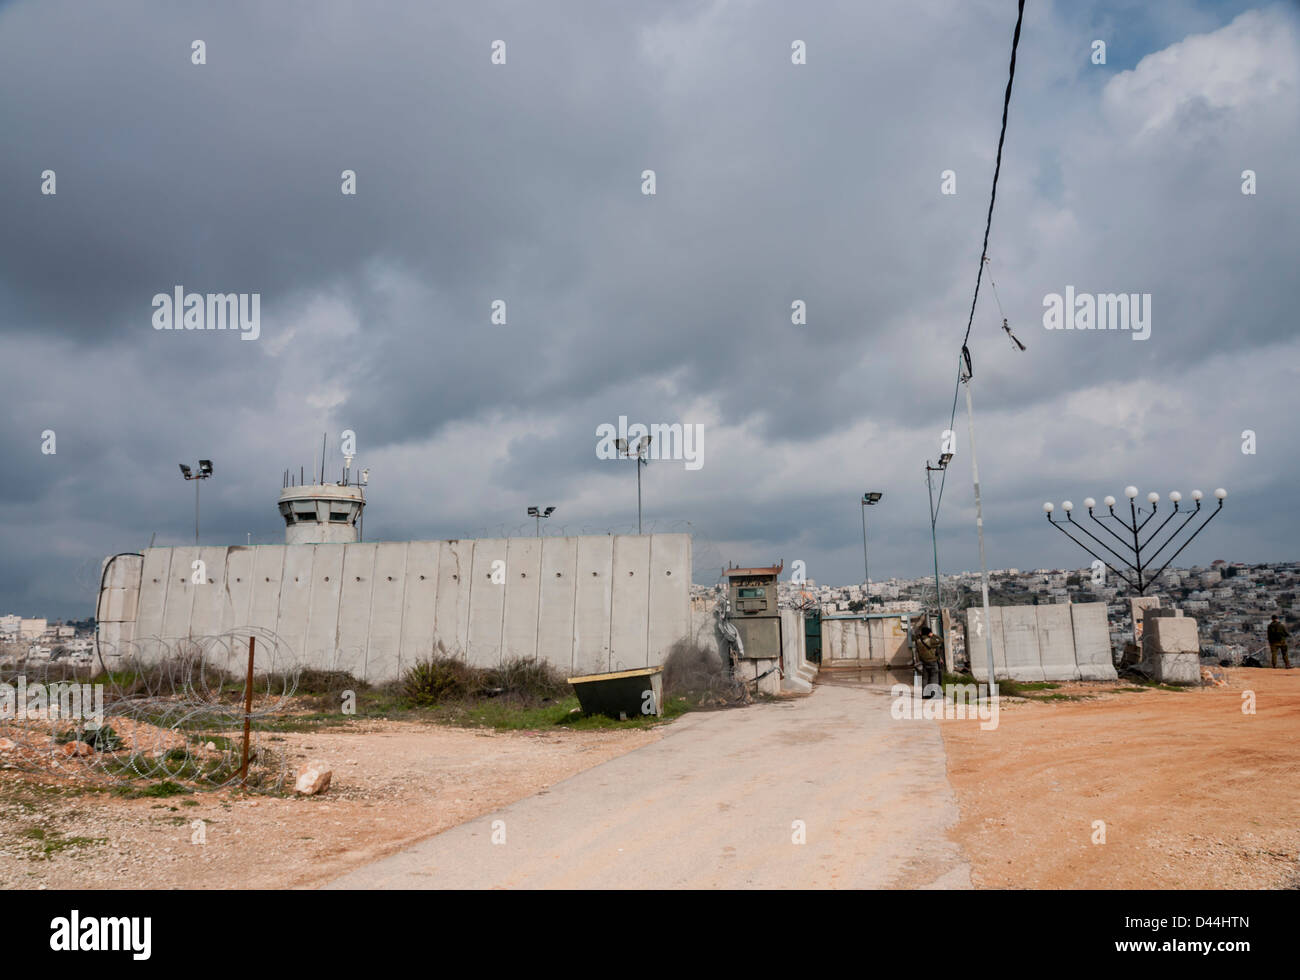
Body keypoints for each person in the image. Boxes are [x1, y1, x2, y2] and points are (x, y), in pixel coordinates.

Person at [915, 623, 944, 697]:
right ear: (928, 633)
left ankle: (925, 694)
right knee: (934, 677)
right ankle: (933, 694)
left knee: (925, 678)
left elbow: (917, 637)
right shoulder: (930, 641)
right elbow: (940, 640)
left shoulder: (918, 641)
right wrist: (933, 635)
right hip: (932, 661)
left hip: (924, 661)